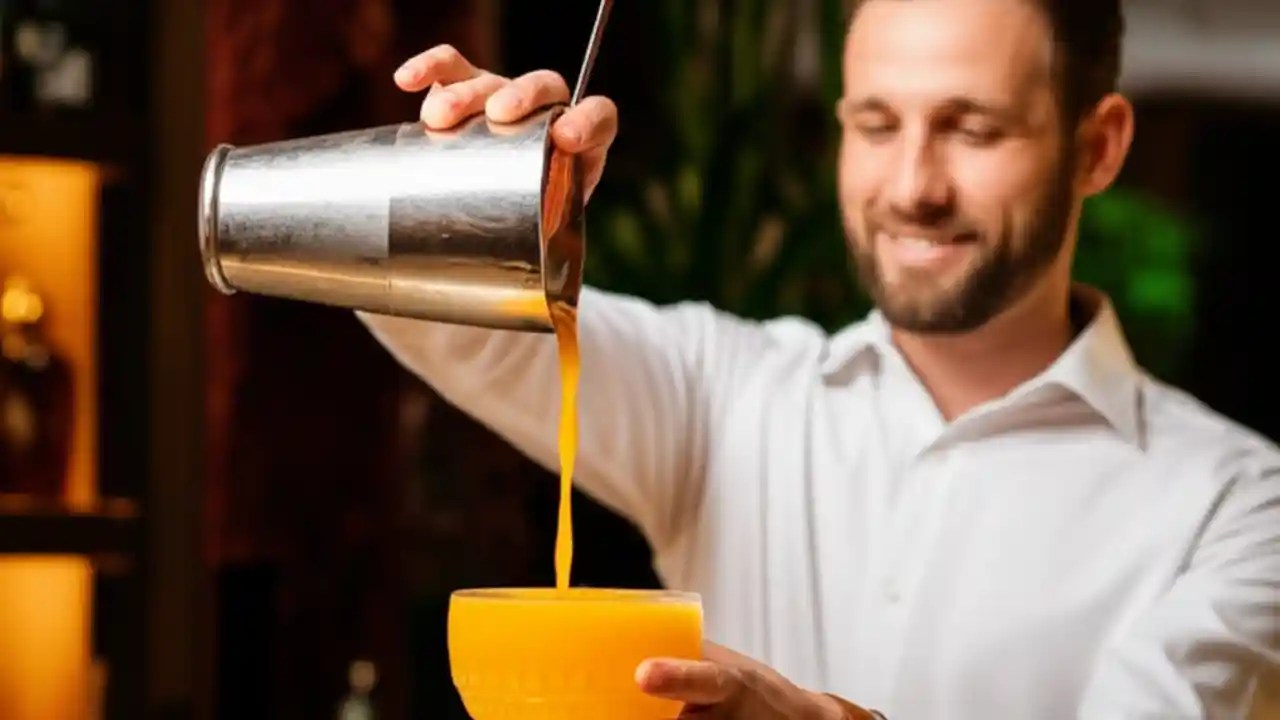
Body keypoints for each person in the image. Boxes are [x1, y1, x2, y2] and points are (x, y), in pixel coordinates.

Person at [361, 0, 1280, 717]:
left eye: (973, 128)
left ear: (1099, 145)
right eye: (877, 126)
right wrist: (472, 198)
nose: (914, 186)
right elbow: (452, 329)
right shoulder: (728, 394)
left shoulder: (1239, 506)